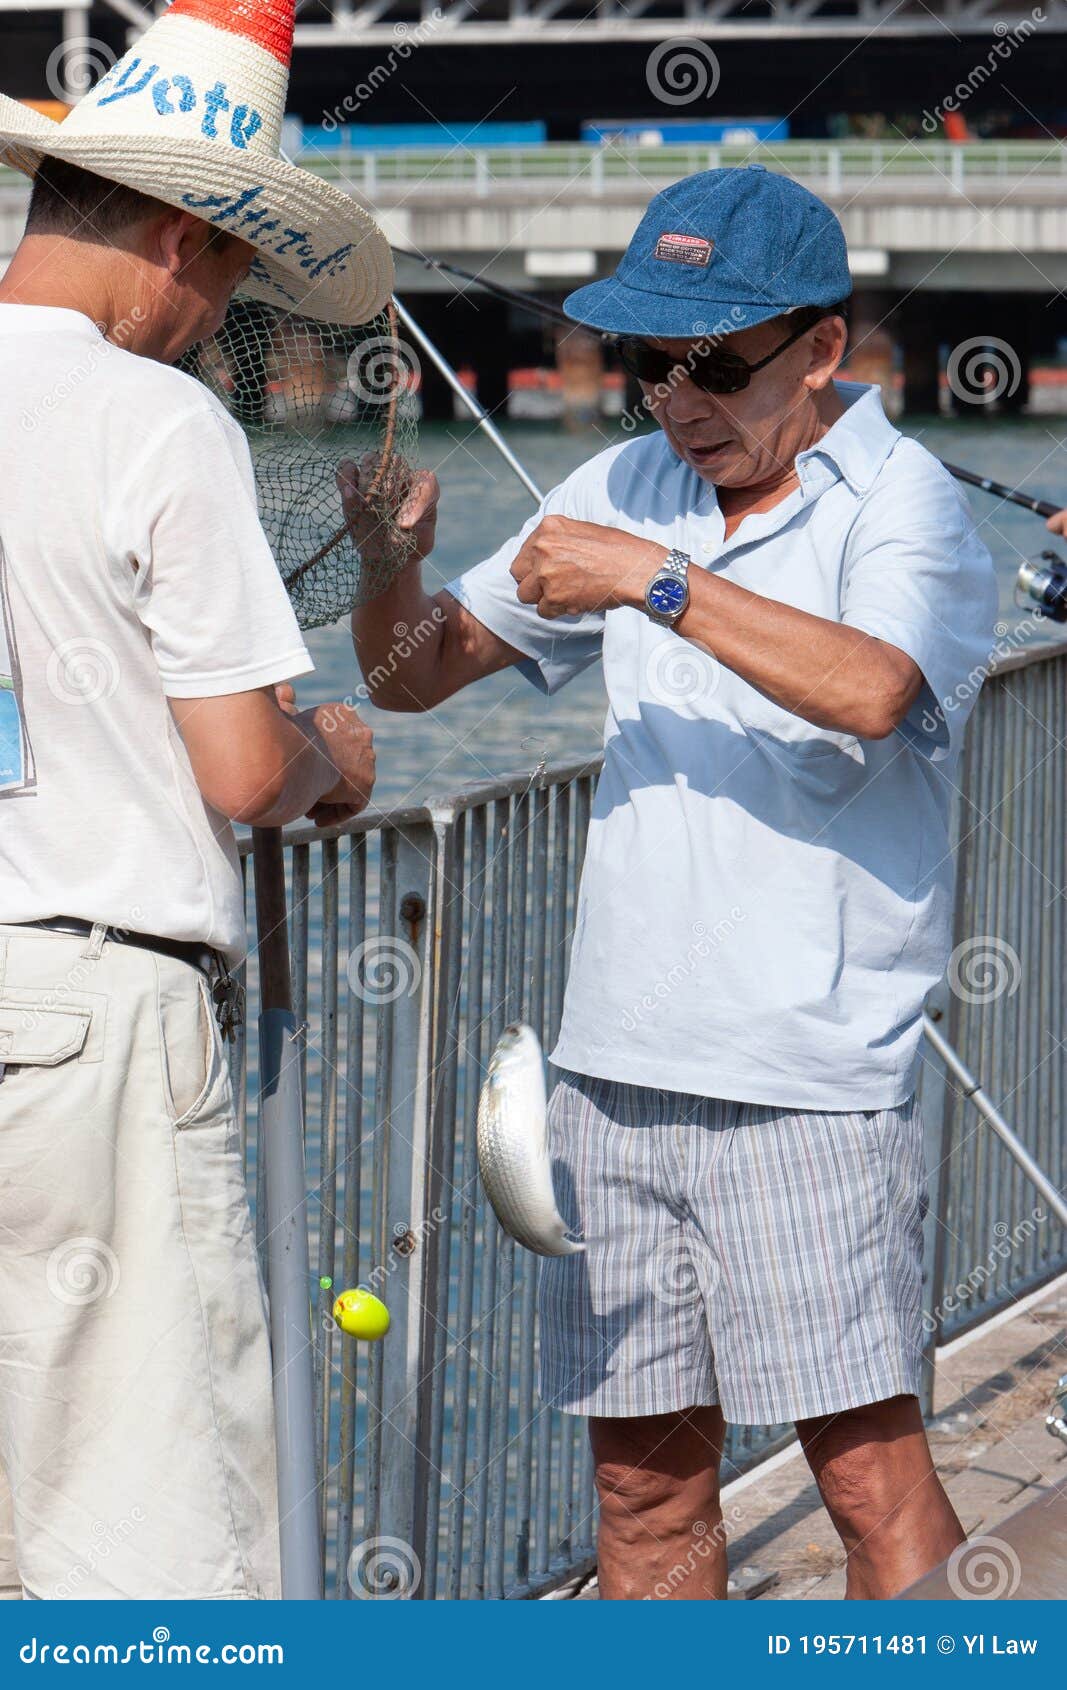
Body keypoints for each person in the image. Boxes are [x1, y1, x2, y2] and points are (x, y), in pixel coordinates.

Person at [350, 167, 999, 1601]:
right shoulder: (629, 477)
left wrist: (655, 580)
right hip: (612, 1072)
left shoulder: (907, 502)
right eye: (652, 360)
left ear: (821, 350)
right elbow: (413, 682)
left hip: (812, 1077)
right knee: (643, 1490)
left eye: (716, 362)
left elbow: (876, 689)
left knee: (867, 1480)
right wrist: (387, 577)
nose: (678, 399)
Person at [0, 0, 390, 1598]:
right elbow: (242, 768)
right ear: (177, 237)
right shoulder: (155, 417)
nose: (220, 317)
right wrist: (335, 758)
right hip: (98, 1017)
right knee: (148, 1545)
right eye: (232, 274)